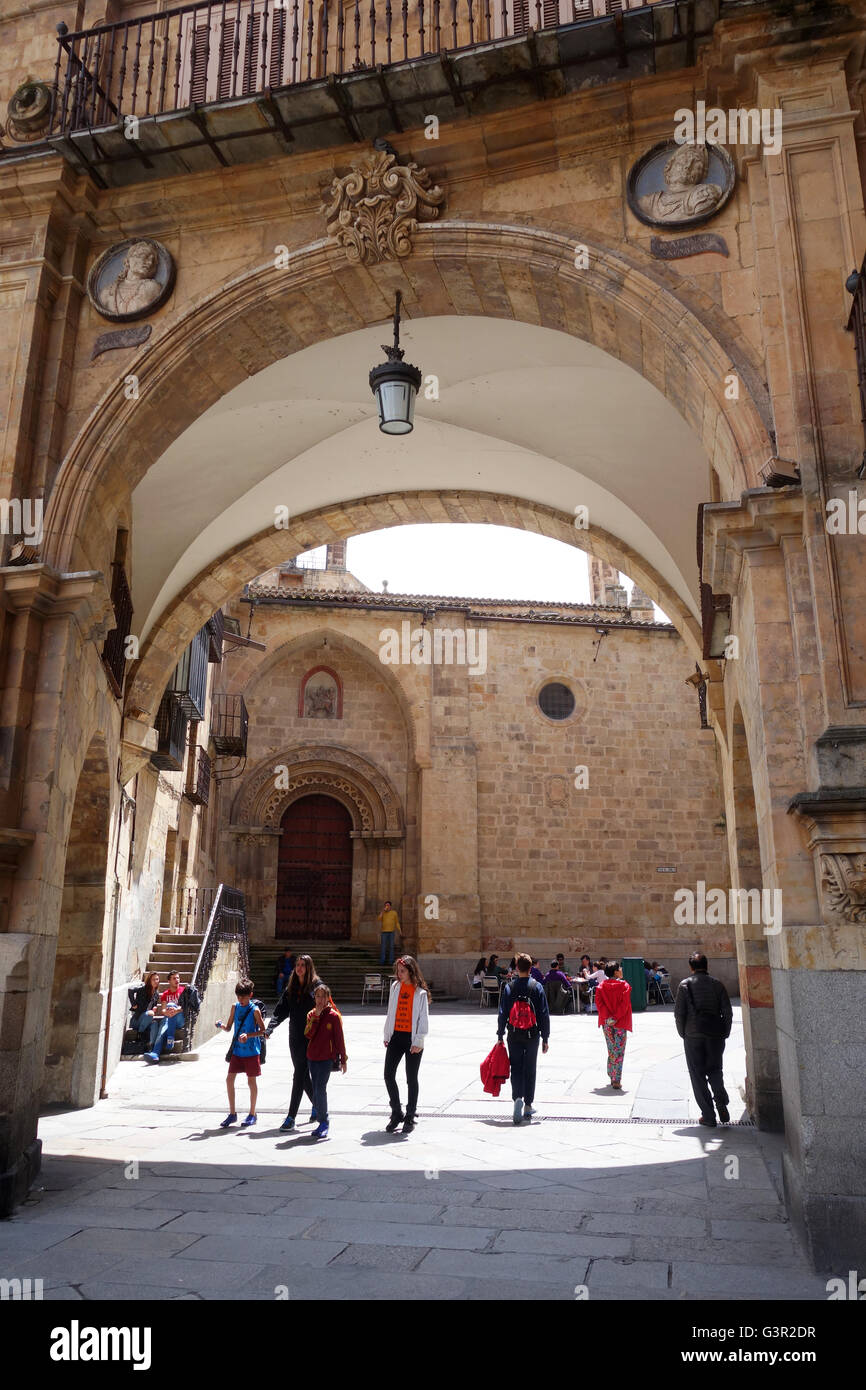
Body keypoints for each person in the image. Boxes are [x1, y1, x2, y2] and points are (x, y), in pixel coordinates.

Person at [674, 952, 733, 1128]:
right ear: (707, 966)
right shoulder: (718, 985)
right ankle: (720, 1100)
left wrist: (682, 1033)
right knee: (715, 1069)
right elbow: (728, 1012)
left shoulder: (684, 985)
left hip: (692, 1035)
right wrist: (726, 1032)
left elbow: (679, 1014)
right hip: (715, 1035)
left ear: (691, 967)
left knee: (697, 1074)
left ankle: (708, 1115)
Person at [267, 953, 321, 1131]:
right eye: (297, 964)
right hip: (295, 1037)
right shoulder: (291, 987)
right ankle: (318, 1105)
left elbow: (325, 1009)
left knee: (298, 1074)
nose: (299, 968)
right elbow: (281, 1010)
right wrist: (270, 1028)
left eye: (303, 965)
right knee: (303, 1075)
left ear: (309, 967)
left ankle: (291, 1117)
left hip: (311, 1037)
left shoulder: (317, 987)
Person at [497, 953, 550, 1124]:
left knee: (516, 1068)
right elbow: (543, 1014)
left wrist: (500, 1034)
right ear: (531, 968)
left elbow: (502, 1012)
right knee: (530, 1068)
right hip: (532, 1034)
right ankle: (528, 1104)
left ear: (517, 968)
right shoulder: (537, 987)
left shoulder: (509, 987)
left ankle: (517, 1098)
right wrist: (545, 1037)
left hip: (513, 1034)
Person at [383, 955, 430, 1134]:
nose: (399, 974)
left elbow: (423, 1019)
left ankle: (410, 1115)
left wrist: (419, 1040)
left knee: (411, 1078)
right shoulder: (395, 987)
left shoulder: (420, 992)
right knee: (388, 1074)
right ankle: (396, 1112)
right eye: (398, 971)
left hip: (413, 1040)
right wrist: (387, 1033)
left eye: (402, 971)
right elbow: (390, 1012)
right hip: (396, 1037)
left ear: (411, 971)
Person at [216, 980, 266, 1128]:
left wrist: (248, 1035)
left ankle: (252, 1113)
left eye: (244, 997)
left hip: (251, 1051)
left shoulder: (255, 1010)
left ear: (250, 995)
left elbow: (263, 1031)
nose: (241, 1000)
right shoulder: (235, 1007)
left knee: (251, 1082)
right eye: (238, 997)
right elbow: (229, 1027)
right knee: (229, 1080)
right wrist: (221, 1025)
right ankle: (232, 1114)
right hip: (237, 1051)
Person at [304, 983, 347, 1139]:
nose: (320, 1000)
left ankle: (324, 1121)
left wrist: (343, 1058)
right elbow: (308, 1034)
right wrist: (316, 1017)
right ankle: (321, 1119)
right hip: (312, 1057)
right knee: (315, 1090)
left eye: (323, 996)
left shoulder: (333, 1016)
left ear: (328, 998)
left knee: (320, 1089)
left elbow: (339, 1038)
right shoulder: (310, 1014)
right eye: (317, 996)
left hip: (326, 1059)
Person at [595, 960, 632, 1090]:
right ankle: (616, 1079)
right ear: (616, 972)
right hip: (620, 1022)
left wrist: (608, 1018)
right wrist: (616, 1018)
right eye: (620, 968)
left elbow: (599, 1004)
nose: (621, 970)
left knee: (611, 1048)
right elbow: (625, 1005)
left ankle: (612, 1074)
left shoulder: (601, 986)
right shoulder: (624, 986)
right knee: (619, 1050)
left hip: (607, 1022)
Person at [143, 971, 187, 1062]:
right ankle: (155, 1054)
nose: (177, 980)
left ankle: (170, 1036)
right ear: (169, 981)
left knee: (171, 1005)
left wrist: (176, 1010)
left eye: (178, 978)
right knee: (162, 1029)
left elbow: (185, 1007)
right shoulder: (166, 994)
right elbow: (163, 1010)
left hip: (180, 1019)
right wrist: (168, 1012)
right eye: (174, 978)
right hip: (168, 1018)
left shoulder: (183, 991)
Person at [378, 900, 400, 967]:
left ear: (390, 906)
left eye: (388, 905)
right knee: (383, 946)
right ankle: (382, 961)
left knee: (391, 947)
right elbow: (379, 919)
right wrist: (382, 912)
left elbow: (397, 922)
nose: (386, 906)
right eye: (385, 905)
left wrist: (400, 930)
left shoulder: (394, 913)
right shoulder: (383, 913)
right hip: (384, 932)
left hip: (391, 932)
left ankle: (391, 961)